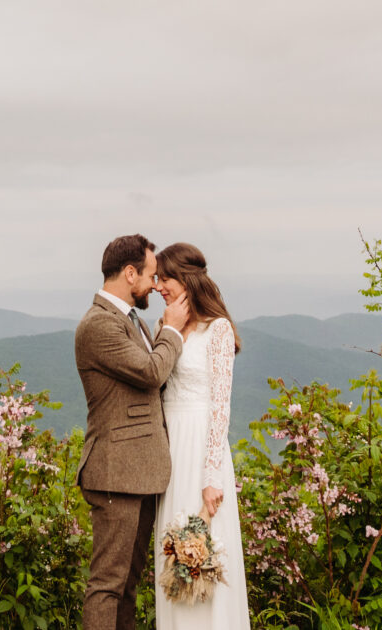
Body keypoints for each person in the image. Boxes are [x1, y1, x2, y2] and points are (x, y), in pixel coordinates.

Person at [76, 234, 191, 630]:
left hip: (141, 473)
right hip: (115, 474)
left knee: (128, 584)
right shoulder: (97, 325)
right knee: (108, 583)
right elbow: (151, 372)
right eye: (151, 275)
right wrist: (173, 330)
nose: (155, 286)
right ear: (130, 273)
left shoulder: (133, 321)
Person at [150, 242, 251, 629]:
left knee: (205, 550)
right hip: (170, 451)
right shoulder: (165, 326)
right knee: (173, 554)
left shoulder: (218, 329)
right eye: (156, 279)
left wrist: (212, 476)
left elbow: (220, 406)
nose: (159, 286)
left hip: (202, 448)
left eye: (165, 279)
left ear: (186, 279)